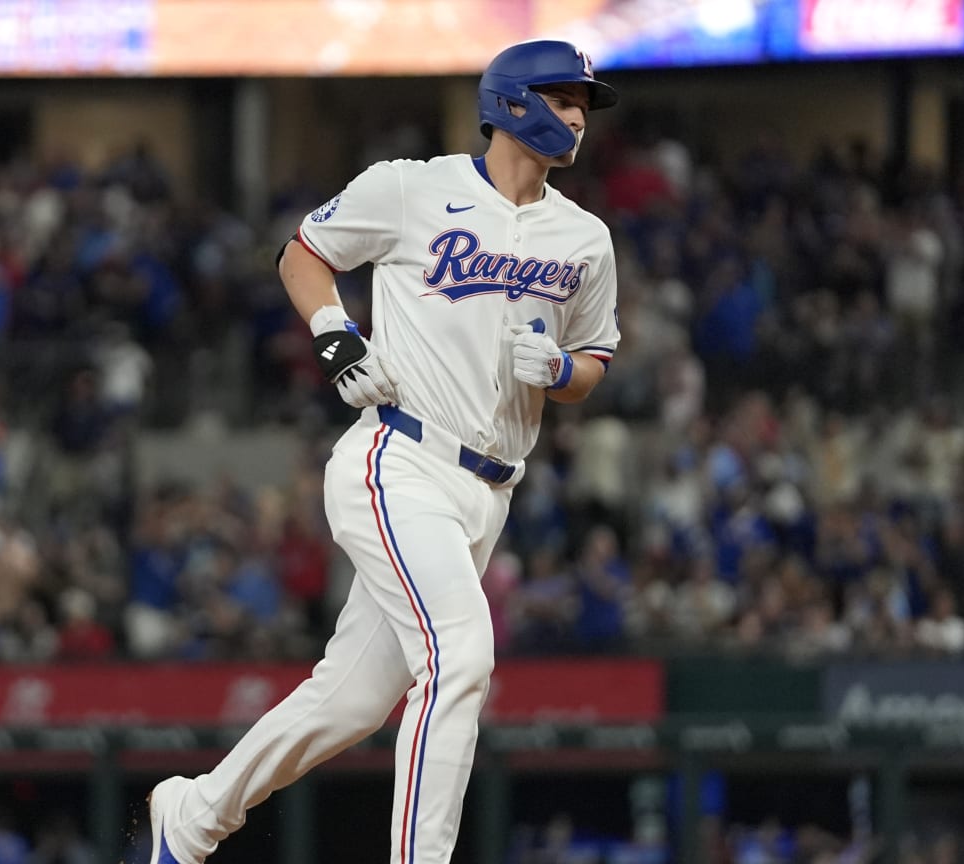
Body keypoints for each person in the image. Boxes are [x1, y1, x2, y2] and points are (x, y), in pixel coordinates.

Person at [143, 39, 621, 864]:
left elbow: (594, 365)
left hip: (488, 495)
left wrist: (561, 369)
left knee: (350, 703)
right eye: (563, 95)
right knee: (460, 656)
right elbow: (304, 254)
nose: (578, 114)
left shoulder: (584, 238)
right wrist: (336, 338)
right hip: (398, 460)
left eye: (584, 102)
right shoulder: (413, 186)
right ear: (512, 101)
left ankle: (190, 818)